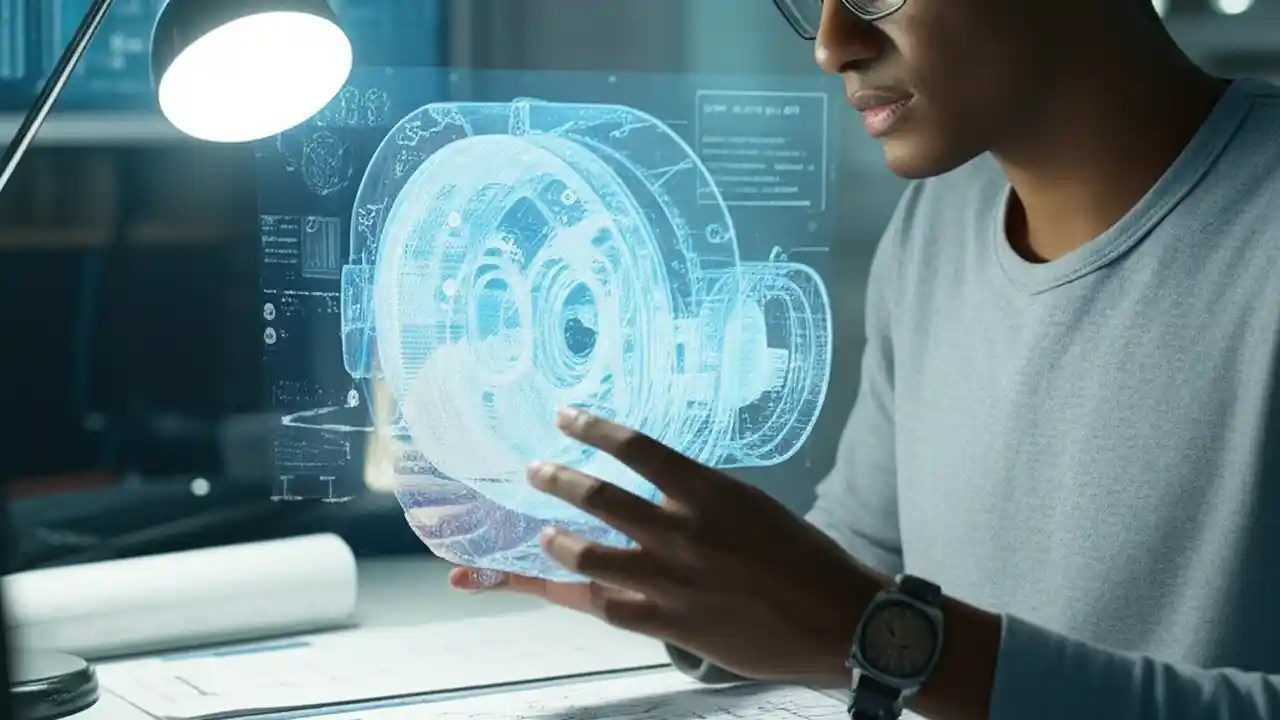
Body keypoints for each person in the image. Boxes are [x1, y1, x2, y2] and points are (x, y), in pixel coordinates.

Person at [448, 0, 1280, 718]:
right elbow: (862, 560)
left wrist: (886, 642)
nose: (831, 42)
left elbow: (870, 619)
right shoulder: (938, 222)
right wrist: (669, 591)